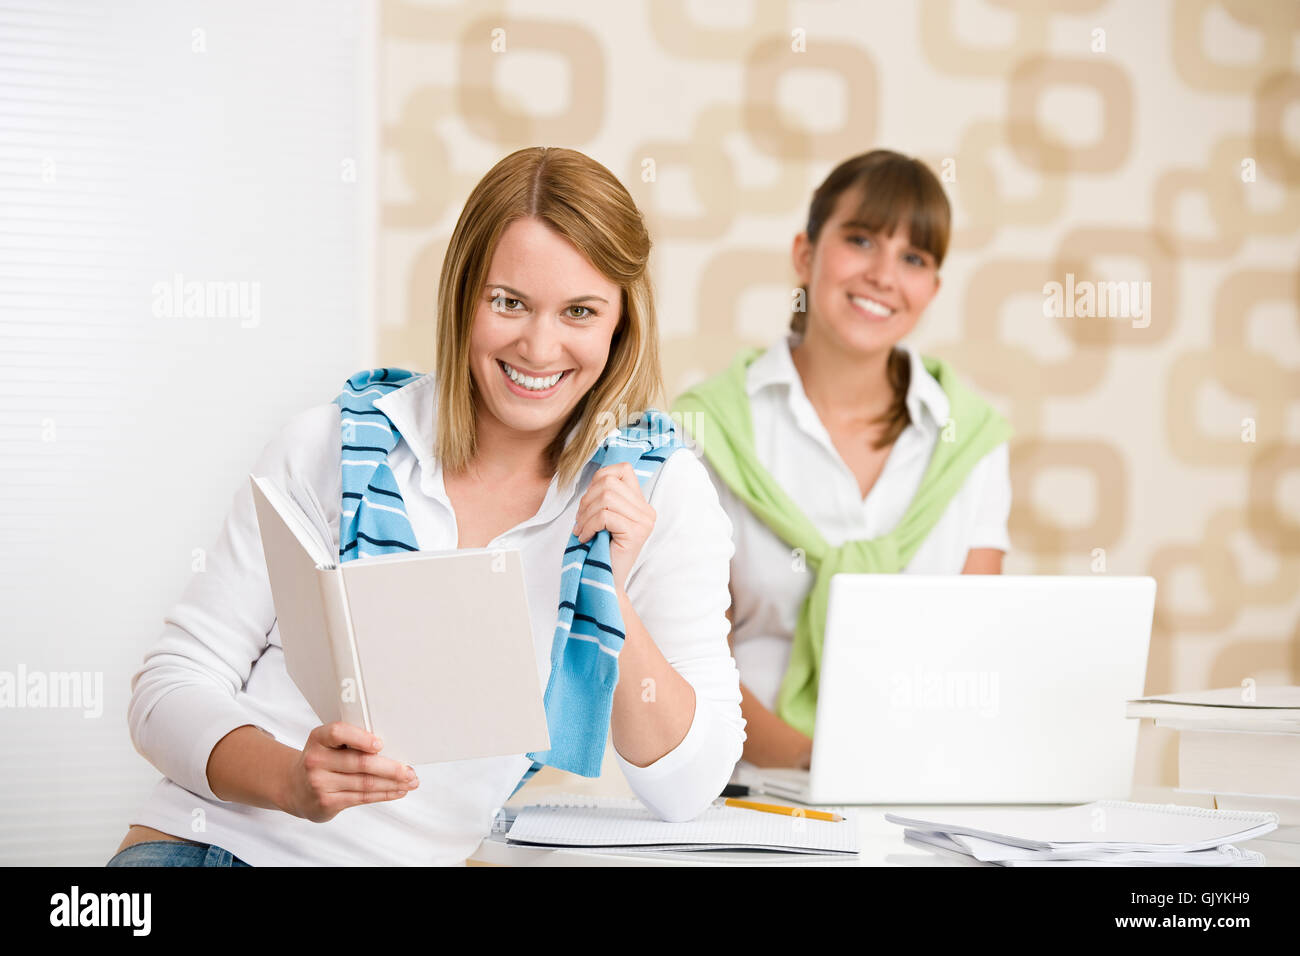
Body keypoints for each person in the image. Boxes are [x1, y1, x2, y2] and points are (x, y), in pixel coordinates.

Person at [110, 146, 744, 866]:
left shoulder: (657, 491)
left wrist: (611, 593)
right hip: (211, 846)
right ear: (462, 296)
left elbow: (687, 786)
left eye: (579, 311)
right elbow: (166, 691)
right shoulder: (332, 444)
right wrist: (292, 779)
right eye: (508, 302)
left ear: (621, 321)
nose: (539, 347)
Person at [673, 149, 1012, 770]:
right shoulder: (709, 429)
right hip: (746, 793)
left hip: (923, 785)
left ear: (931, 289)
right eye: (861, 240)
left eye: (914, 258)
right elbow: (690, 657)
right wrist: (819, 767)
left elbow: (971, 652)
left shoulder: (973, 441)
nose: (884, 274)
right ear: (806, 254)